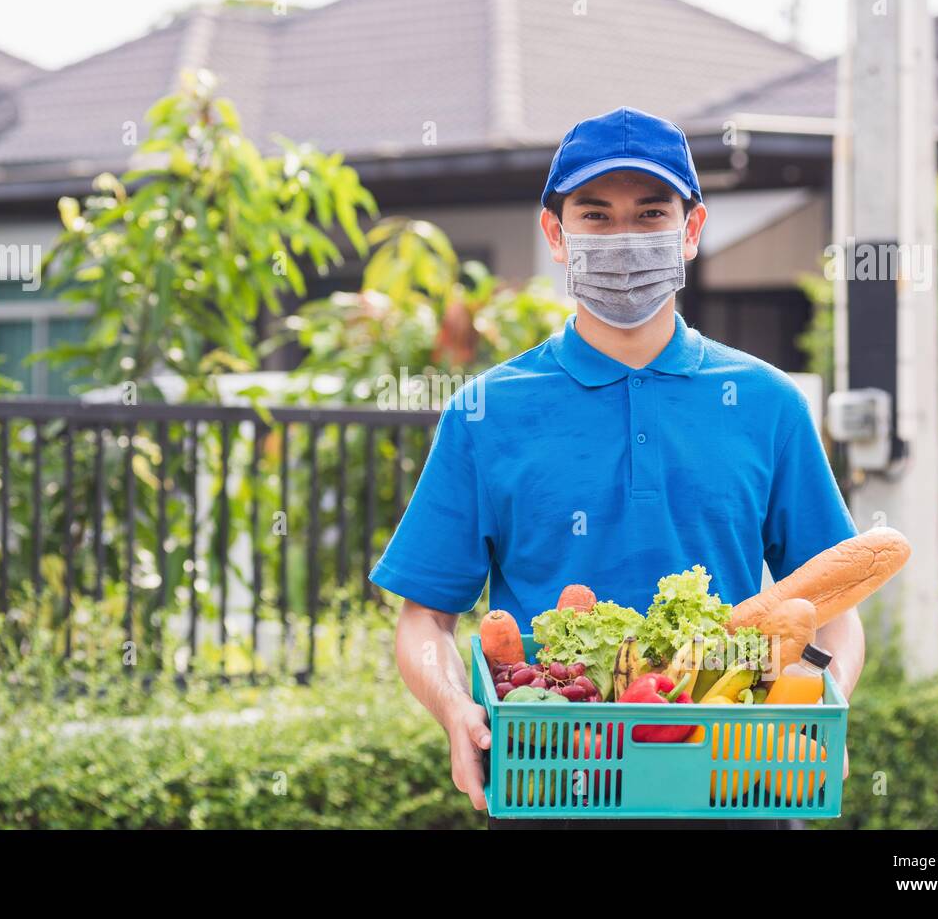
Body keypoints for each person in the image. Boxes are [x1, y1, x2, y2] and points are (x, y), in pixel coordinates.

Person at [369, 107, 862, 829]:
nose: (623, 238)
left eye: (650, 213)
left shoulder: (767, 403)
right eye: (596, 216)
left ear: (691, 230)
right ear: (556, 233)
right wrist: (455, 707)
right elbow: (424, 619)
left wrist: (829, 696)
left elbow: (834, 607)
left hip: (735, 788)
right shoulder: (487, 412)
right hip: (555, 784)